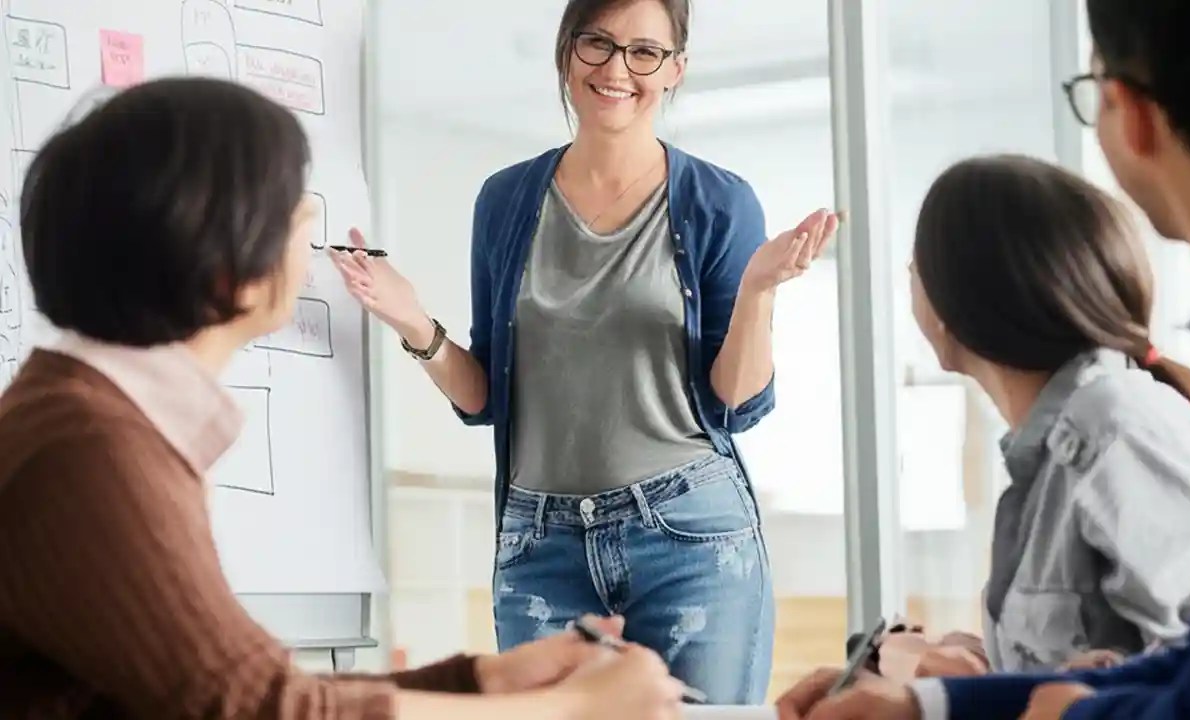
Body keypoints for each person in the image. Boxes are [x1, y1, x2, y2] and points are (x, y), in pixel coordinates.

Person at [0, 77, 683, 720]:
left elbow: (256, 691)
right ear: (226, 268)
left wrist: (486, 681)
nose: (310, 228)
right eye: (294, 210)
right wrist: (569, 709)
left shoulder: (92, 422)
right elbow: (256, 708)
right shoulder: (86, 450)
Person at [776, 0, 1190, 718]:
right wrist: (928, 700)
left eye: (916, 268)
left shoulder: (1121, 417)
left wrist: (1067, 711)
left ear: (1131, 114)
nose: (908, 283)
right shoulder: (1067, 434)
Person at [331, 0, 838, 704]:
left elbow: (737, 402)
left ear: (675, 69)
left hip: (689, 537)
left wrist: (757, 291)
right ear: (568, 52)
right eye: (597, 43)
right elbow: (486, 399)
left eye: (644, 52)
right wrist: (411, 318)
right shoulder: (506, 200)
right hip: (541, 544)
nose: (617, 69)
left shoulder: (719, 202)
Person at [872, 154, 1190, 682]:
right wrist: (964, 669)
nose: (911, 286)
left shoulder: (1113, 426)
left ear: (957, 304)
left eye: (914, 271)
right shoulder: (1054, 443)